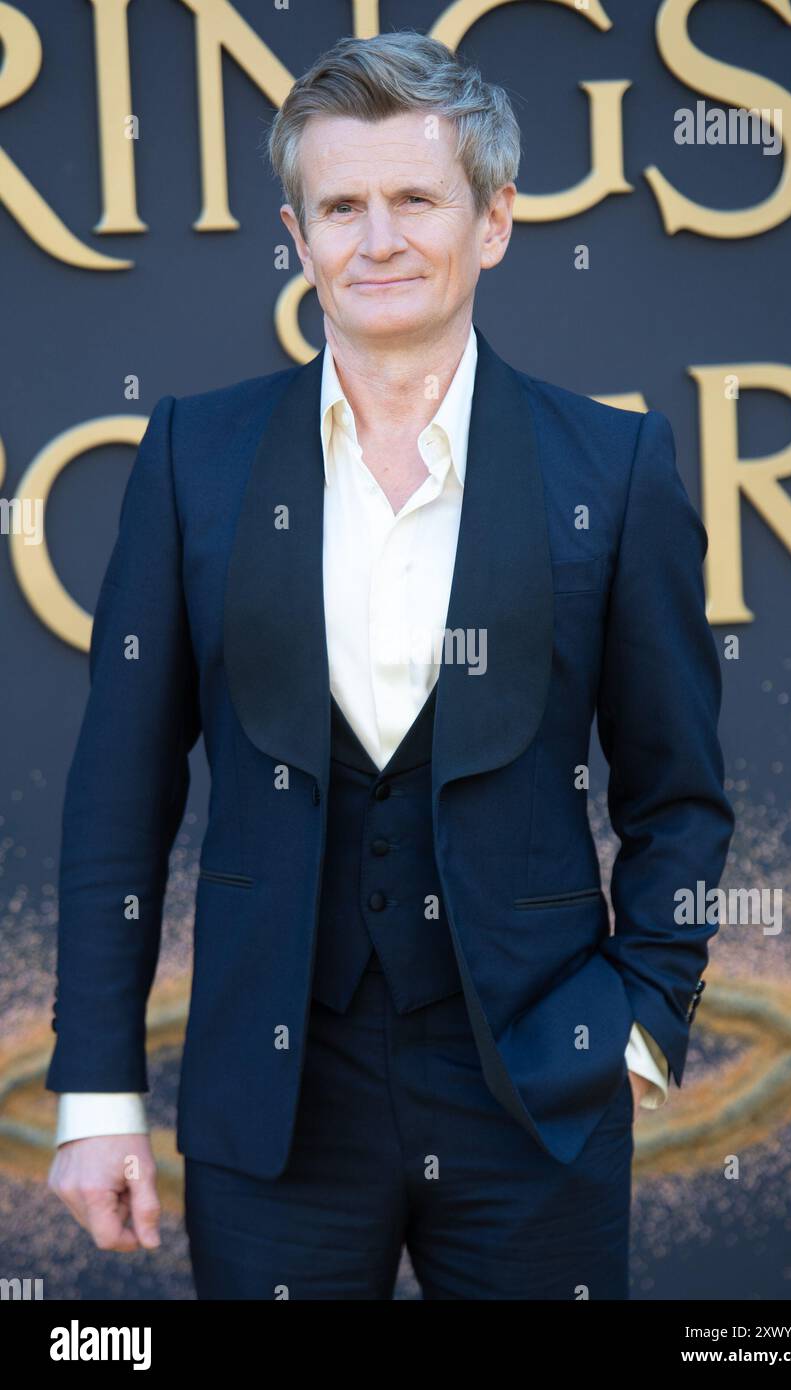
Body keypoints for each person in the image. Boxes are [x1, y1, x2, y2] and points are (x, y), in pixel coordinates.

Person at [46, 31, 734, 1300]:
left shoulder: (611, 468)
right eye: (341, 205)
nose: (377, 238)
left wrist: (635, 1027)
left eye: (415, 198)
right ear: (298, 236)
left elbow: (677, 793)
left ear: (494, 221)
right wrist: (97, 1090)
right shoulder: (196, 456)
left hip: (536, 1093)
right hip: (274, 1103)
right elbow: (115, 804)